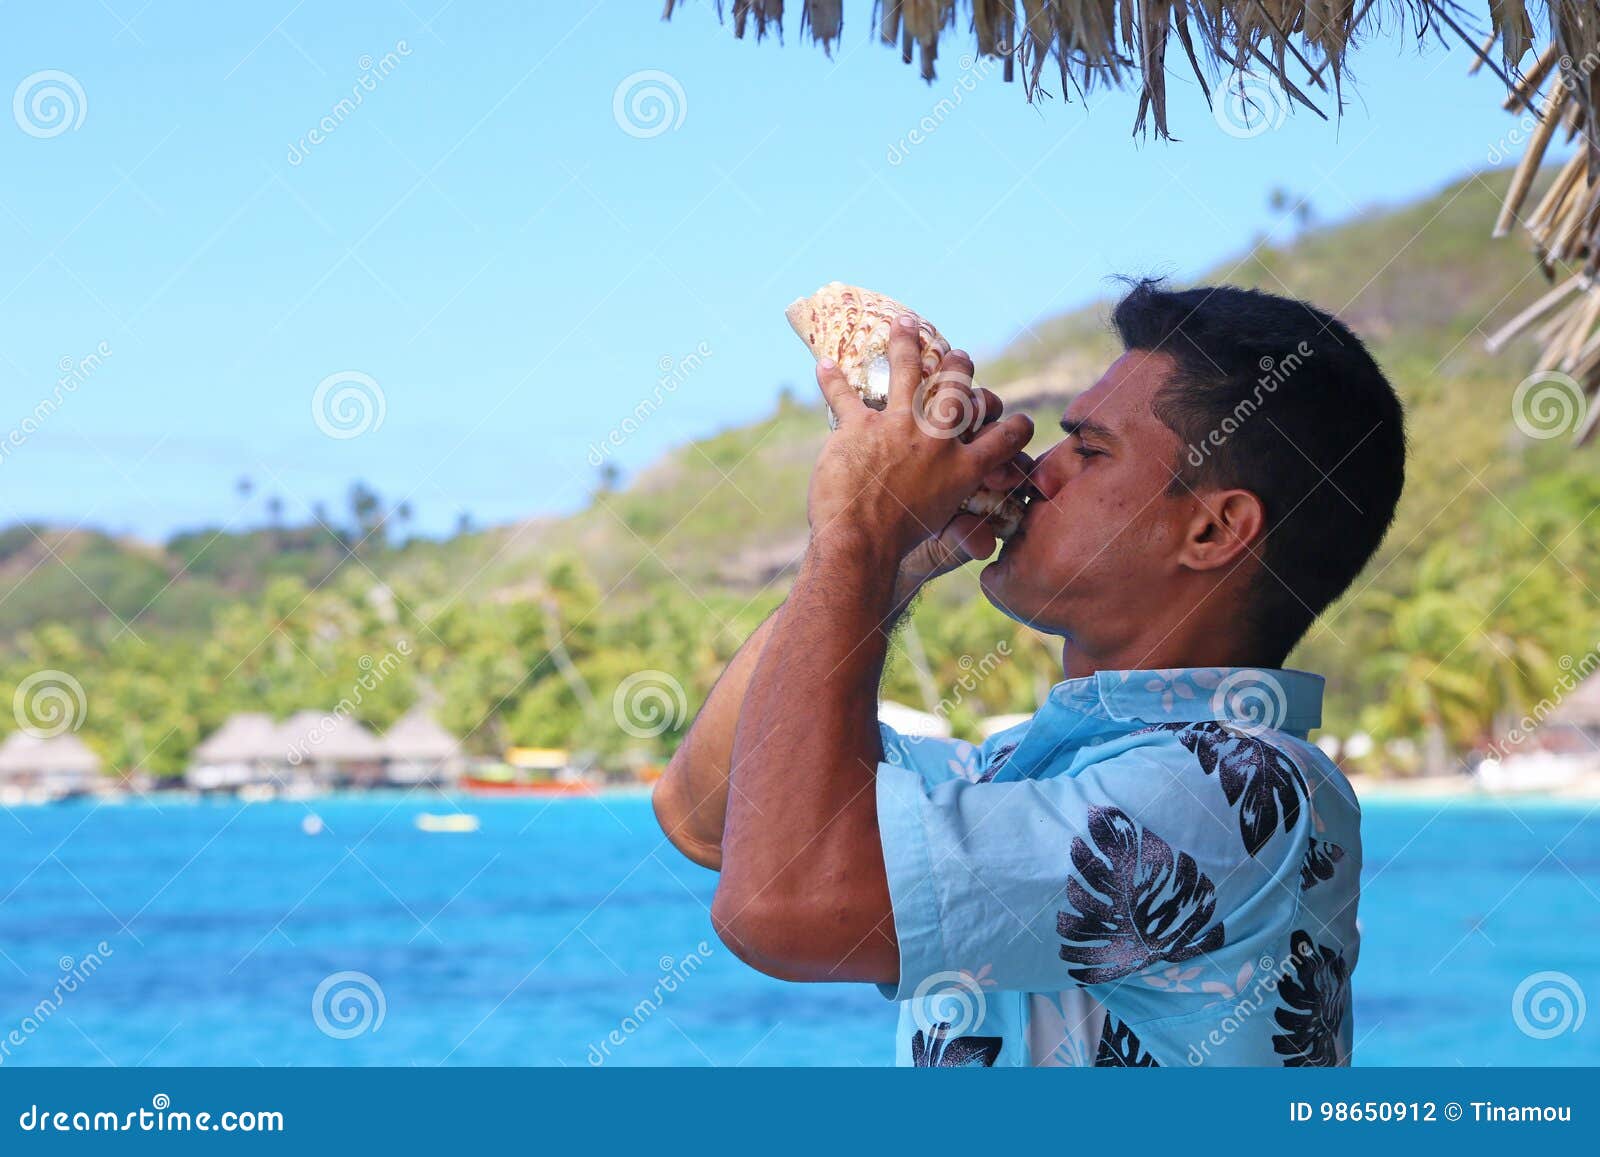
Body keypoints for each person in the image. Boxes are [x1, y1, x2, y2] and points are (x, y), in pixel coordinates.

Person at [652, 279, 1406, 1067]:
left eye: (1087, 448)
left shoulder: (1240, 789)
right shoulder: (1026, 773)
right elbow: (707, 810)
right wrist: (897, 562)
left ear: (1213, 529)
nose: (1041, 471)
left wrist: (860, 532)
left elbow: (781, 904)